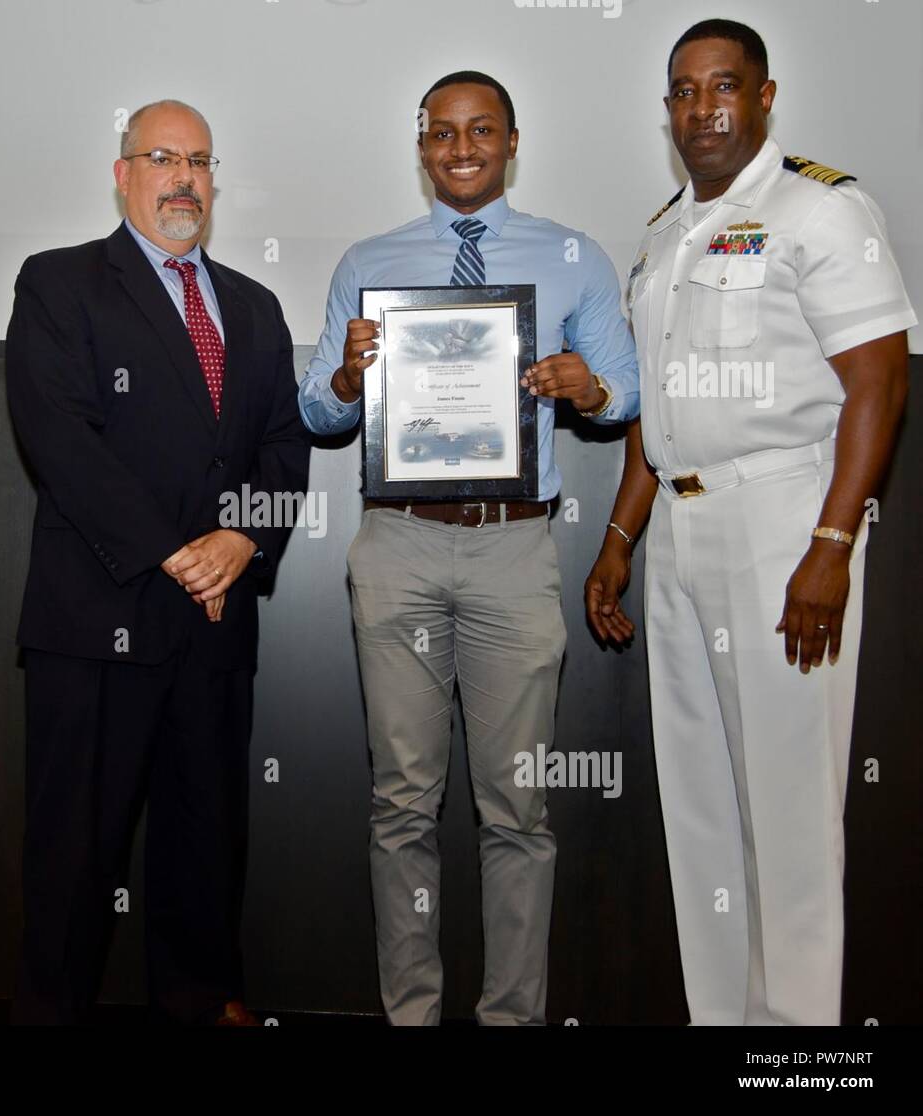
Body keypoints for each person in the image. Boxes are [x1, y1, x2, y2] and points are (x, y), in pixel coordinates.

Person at [585, 19, 914, 1025]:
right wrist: (616, 543)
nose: (701, 108)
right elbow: (657, 412)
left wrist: (830, 547)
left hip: (783, 523)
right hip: (681, 532)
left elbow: (876, 382)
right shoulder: (661, 231)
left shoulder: (821, 209)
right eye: (682, 91)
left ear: (764, 96)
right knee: (702, 816)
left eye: (721, 86)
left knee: (788, 816)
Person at [299, 71, 640, 1025]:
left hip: (512, 549)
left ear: (511, 139)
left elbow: (628, 393)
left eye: (480, 130)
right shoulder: (371, 259)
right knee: (403, 803)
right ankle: (411, 1014)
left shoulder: (573, 256)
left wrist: (585, 385)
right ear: (421, 147)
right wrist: (344, 371)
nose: (461, 148)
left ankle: (512, 1018)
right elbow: (316, 413)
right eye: (442, 133)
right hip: (398, 544)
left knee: (517, 812)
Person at [5, 100, 309, 1025]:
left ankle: (202, 999)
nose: (184, 177)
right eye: (162, 157)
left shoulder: (254, 308)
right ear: (122, 172)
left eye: (201, 161)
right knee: (75, 853)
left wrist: (243, 537)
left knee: (205, 838)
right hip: (100, 615)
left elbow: (284, 447)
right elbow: (61, 439)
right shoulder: (60, 283)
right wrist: (177, 550)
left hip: (217, 624)